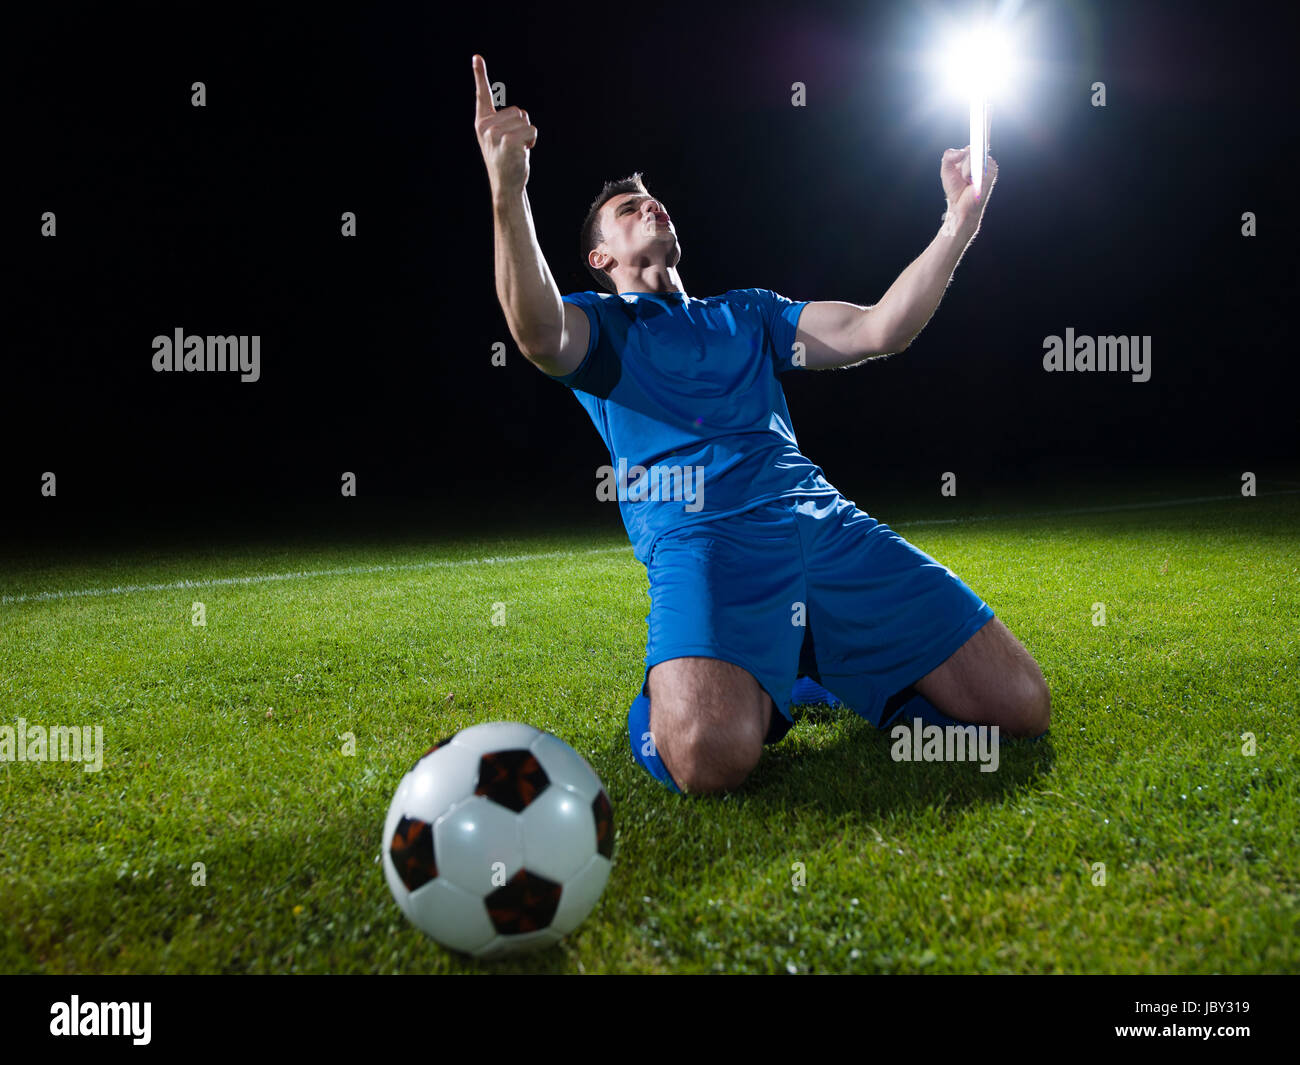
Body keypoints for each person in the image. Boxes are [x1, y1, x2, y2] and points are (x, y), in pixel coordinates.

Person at [471, 55, 1050, 795]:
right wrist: (508, 190)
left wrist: (957, 223)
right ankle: (677, 698)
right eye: (628, 210)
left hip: (821, 520)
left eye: (654, 202)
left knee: (1021, 707)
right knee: (711, 758)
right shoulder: (600, 329)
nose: (651, 207)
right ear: (599, 257)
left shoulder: (748, 312)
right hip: (705, 541)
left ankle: (840, 674)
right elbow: (534, 331)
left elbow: (878, 329)